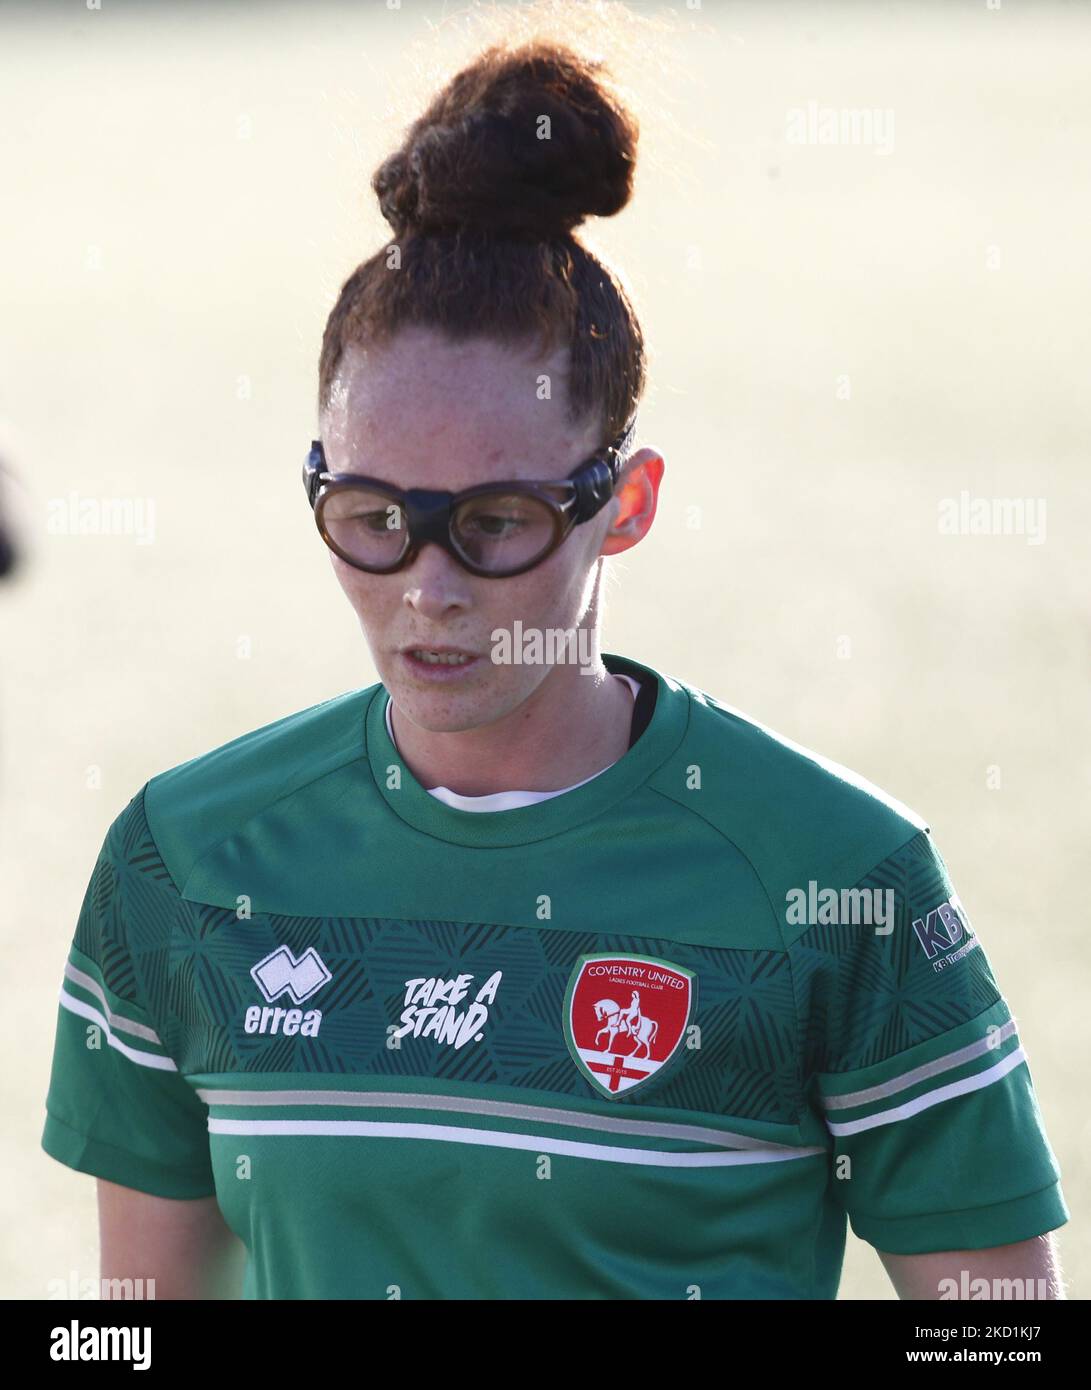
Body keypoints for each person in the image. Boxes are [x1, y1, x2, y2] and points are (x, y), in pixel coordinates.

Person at [41, 38, 1068, 1301]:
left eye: (497, 521)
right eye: (370, 516)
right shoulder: (183, 860)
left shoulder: (839, 877)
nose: (429, 586)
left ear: (624, 502)